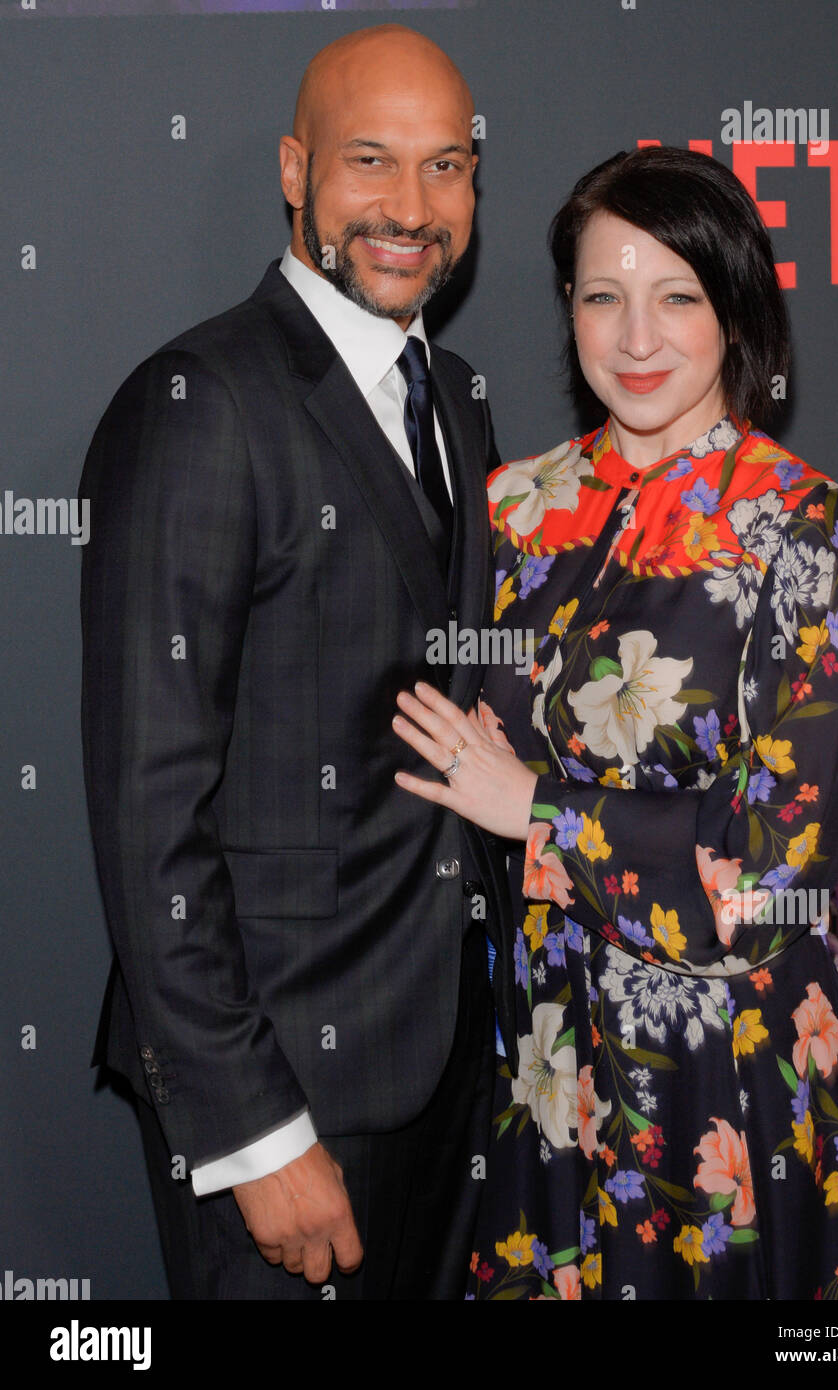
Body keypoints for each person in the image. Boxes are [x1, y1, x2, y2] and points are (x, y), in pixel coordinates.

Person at [392, 145, 838, 1300]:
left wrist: (540, 811)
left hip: (732, 1079)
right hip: (543, 1074)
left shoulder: (798, 525)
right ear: (568, 310)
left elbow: (779, 868)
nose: (638, 338)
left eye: (678, 296)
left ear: (734, 312)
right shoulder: (512, 504)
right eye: (603, 297)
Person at [79, 24, 501, 1301]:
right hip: (279, 1091)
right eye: (370, 161)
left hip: (444, 1070)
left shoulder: (462, 396)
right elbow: (149, 805)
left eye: (446, 168)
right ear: (293, 170)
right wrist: (252, 1130)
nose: (410, 209)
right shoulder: (202, 403)